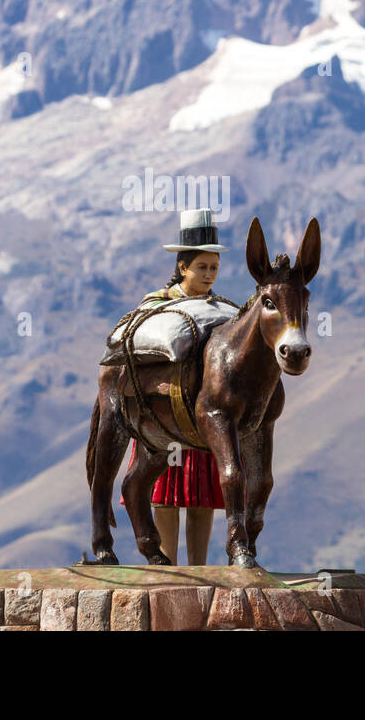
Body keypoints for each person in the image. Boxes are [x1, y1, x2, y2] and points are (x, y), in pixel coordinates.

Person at [121, 208, 229, 565]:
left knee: (202, 496)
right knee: (165, 493)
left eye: (214, 267)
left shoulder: (221, 310)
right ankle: (166, 566)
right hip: (163, 415)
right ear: (183, 267)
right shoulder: (156, 305)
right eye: (202, 267)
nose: (209, 275)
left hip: (202, 416)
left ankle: (200, 569)